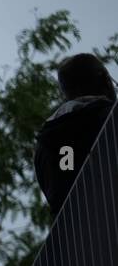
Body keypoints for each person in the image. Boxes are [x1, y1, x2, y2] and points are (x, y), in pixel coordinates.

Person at [34, 53, 116, 219]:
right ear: (105, 79)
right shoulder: (110, 119)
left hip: (80, 239)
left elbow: (67, 180)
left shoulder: (45, 144)